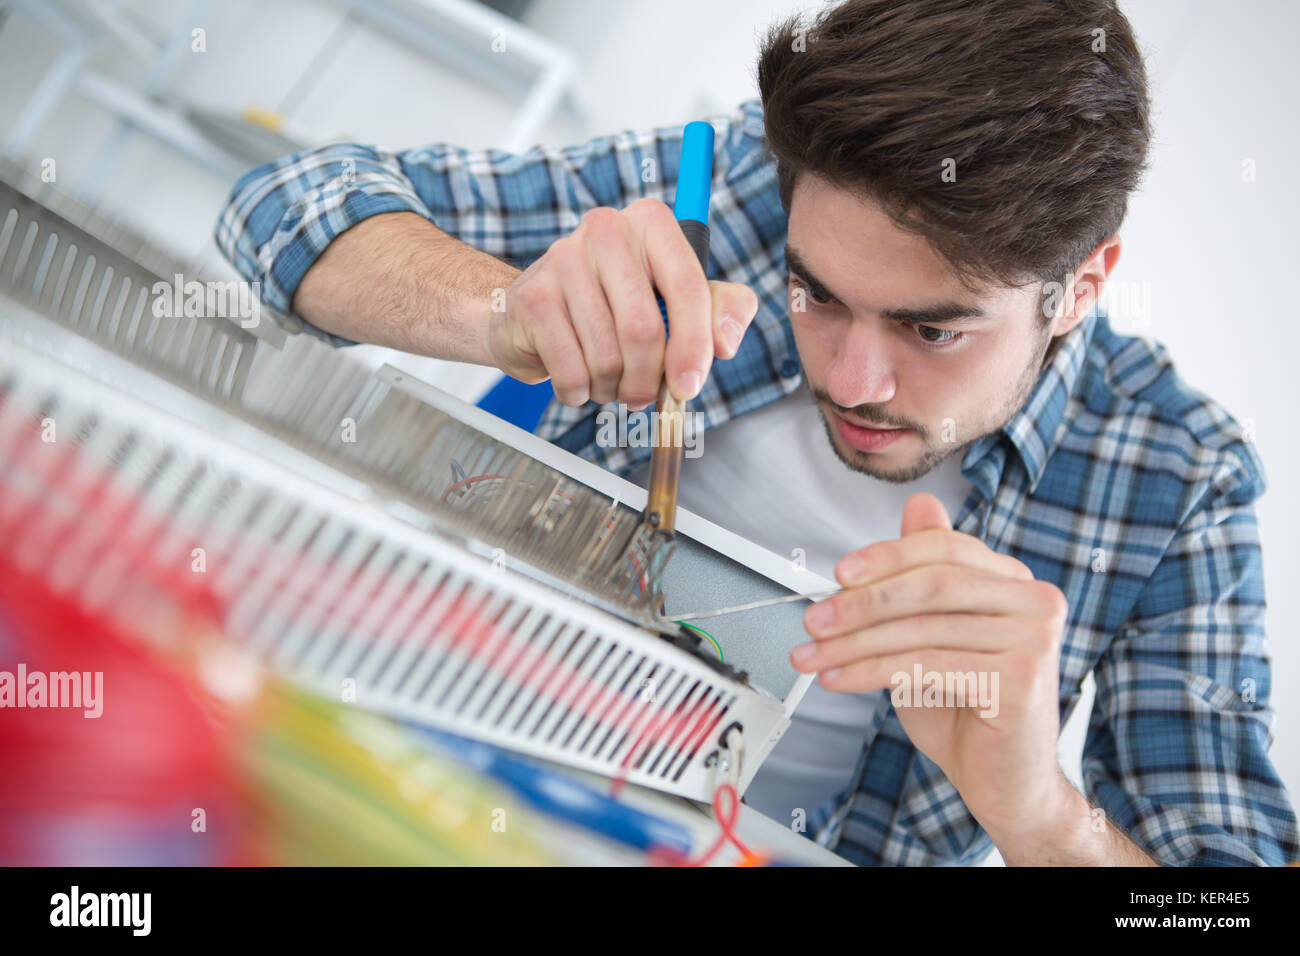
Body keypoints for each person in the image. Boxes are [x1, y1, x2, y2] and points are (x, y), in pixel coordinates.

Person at [215, 0, 1298, 865]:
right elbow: (282, 205)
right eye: (814, 292)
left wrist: (1038, 814)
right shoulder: (738, 184)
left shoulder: (1178, 476)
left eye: (933, 327)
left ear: (1080, 284)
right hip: (422, 758)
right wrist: (506, 311)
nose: (853, 377)